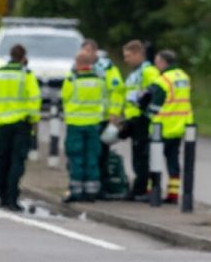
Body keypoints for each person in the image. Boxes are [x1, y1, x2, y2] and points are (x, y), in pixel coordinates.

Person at [0, 44, 41, 208]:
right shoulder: (26, 75)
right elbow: (34, 99)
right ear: (23, 57)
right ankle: (10, 199)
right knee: (16, 162)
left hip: (0, 124)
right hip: (20, 124)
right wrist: (34, 121)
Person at [83, 40, 131, 199]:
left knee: (100, 154)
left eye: (88, 51)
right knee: (85, 153)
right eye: (83, 51)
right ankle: (87, 185)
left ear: (95, 51)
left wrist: (114, 113)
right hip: (85, 118)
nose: (86, 55)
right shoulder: (79, 67)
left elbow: (117, 91)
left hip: (102, 118)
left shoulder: (107, 68)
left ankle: (99, 187)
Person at [60, 51, 109, 201]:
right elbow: (105, 101)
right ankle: (91, 192)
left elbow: (64, 98)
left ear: (79, 64)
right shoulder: (99, 81)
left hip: (75, 124)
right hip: (93, 125)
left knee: (76, 158)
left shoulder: (71, 80)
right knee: (92, 157)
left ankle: (76, 191)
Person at [120, 39, 163, 198]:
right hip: (133, 118)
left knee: (142, 156)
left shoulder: (148, 71)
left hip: (143, 119)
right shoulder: (135, 73)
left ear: (139, 54)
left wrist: (143, 110)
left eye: (128, 56)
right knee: (137, 155)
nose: (126, 60)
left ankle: (141, 188)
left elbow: (153, 93)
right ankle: (140, 186)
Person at [155, 50, 194, 199]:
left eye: (157, 62)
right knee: (173, 161)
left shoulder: (163, 80)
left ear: (164, 62)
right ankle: (173, 193)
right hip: (180, 125)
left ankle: (154, 193)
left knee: (154, 160)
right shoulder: (184, 76)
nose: (156, 65)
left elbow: (154, 105)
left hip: (163, 126)